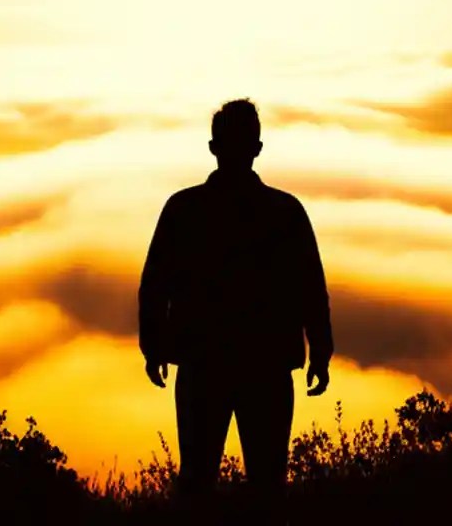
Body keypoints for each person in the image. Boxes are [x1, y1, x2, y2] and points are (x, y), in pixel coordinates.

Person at [138, 98, 334, 519]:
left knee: (197, 484)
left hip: (202, 363)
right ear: (258, 148)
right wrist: (320, 351)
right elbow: (310, 288)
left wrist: (153, 346)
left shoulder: (184, 209)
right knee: (266, 486)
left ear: (213, 147)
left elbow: (155, 283)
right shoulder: (285, 211)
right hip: (264, 365)